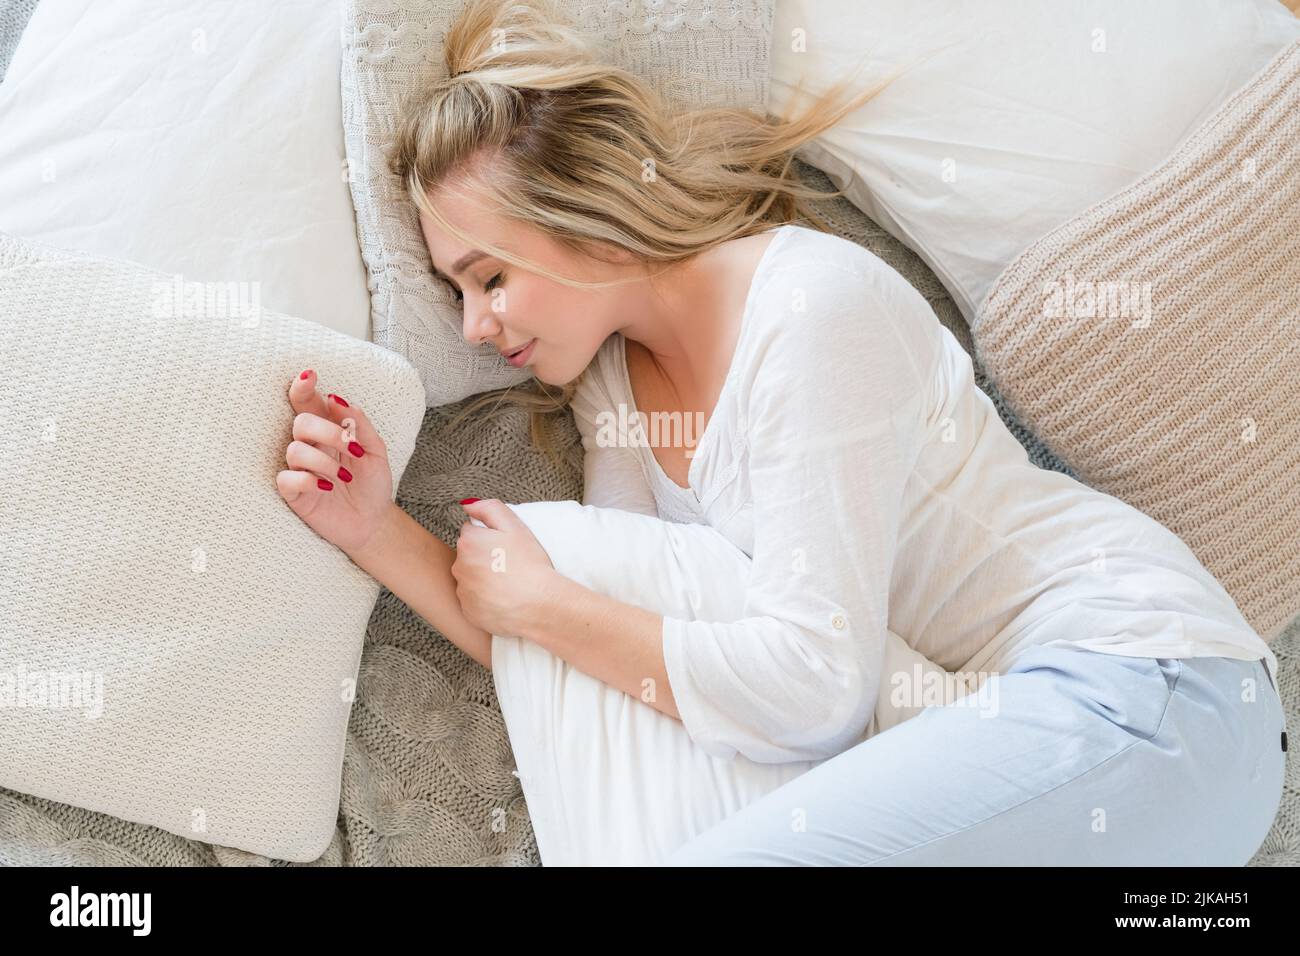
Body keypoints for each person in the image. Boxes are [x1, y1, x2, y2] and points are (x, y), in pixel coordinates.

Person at [275, 0, 1286, 864]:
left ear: (588, 208)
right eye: (455, 290)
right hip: (978, 742)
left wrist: (546, 605)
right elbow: (594, 659)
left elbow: (813, 689)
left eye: (489, 276)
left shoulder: (813, 310)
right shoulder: (616, 394)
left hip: (1149, 689)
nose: (474, 325)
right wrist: (372, 529)